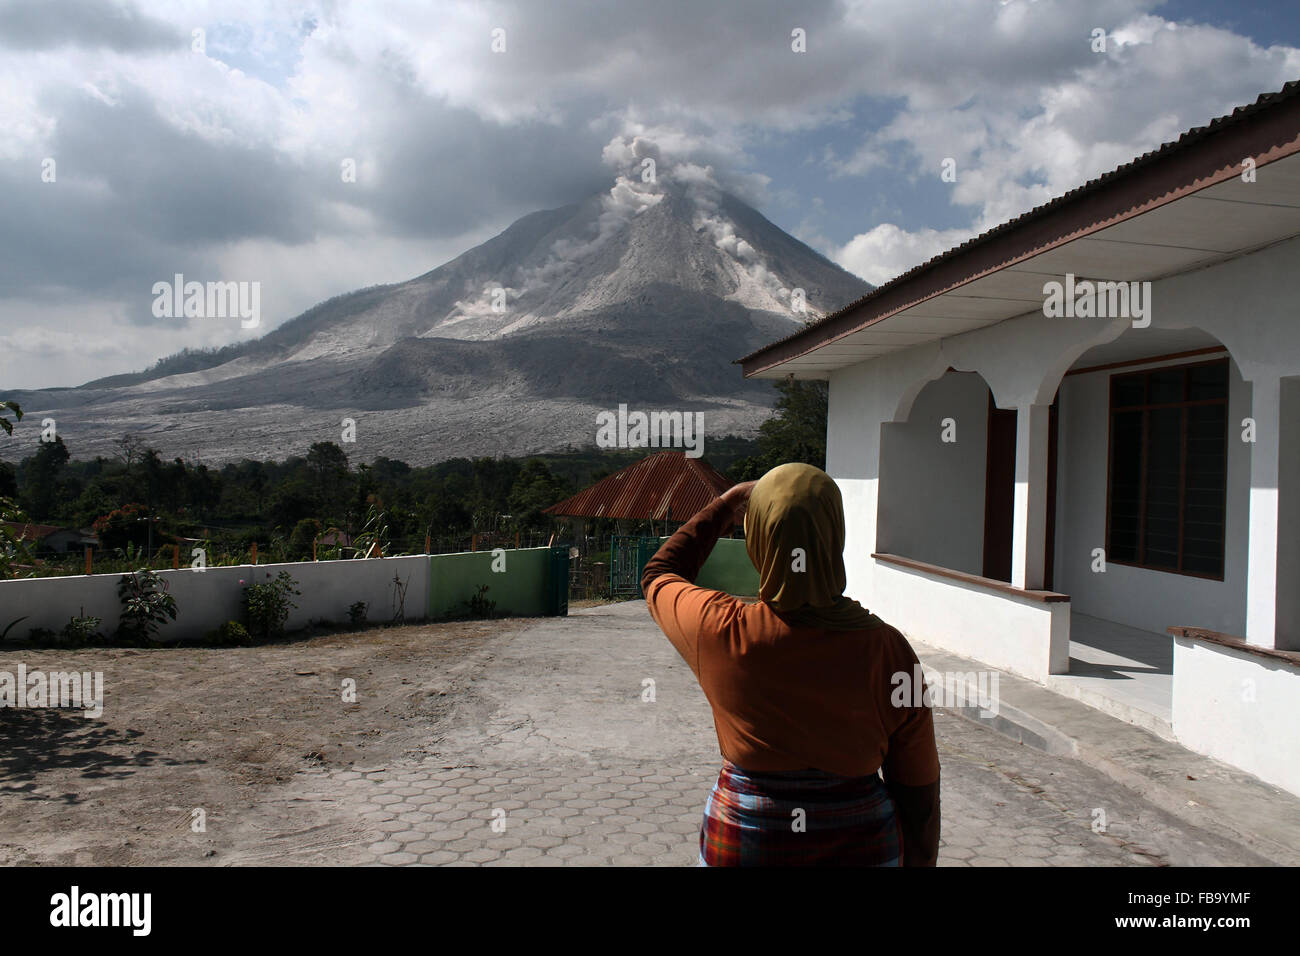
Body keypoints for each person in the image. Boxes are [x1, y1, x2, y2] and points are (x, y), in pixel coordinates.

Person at [641, 462, 940, 866]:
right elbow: (917, 787)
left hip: (747, 840)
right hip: (861, 843)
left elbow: (660, 572)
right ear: (835, 534)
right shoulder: (889, 650)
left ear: (760, 537)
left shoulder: (717, 630)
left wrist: (727, 505)